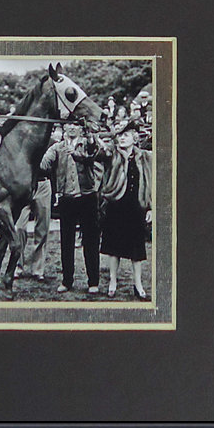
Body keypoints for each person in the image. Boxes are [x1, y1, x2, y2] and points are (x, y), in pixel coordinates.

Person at [40, 123, 101, 294]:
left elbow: (94, 156)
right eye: (69, 124)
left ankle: (93, 281)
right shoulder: (58, 147)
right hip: (66, 198)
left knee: (91, 240)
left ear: (81, 128)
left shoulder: (88, 143)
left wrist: (78, 153)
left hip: (87, 196)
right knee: (66, 240)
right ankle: (67, 280)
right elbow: (44, 165)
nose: (72, 128)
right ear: (64, 127)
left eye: (76, 125)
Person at [97, 127, 153, 299]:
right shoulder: (112, 155)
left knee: (136, 248)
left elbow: (150, 182)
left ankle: (138, 285)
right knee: (114, 248)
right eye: (120, 136)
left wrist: (150, 207)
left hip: (136, 208)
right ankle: (113, 282)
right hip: (115, 206)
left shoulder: (144, 157)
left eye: (126, 135)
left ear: (134, 139)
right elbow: (99, 154)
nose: (122, 138)